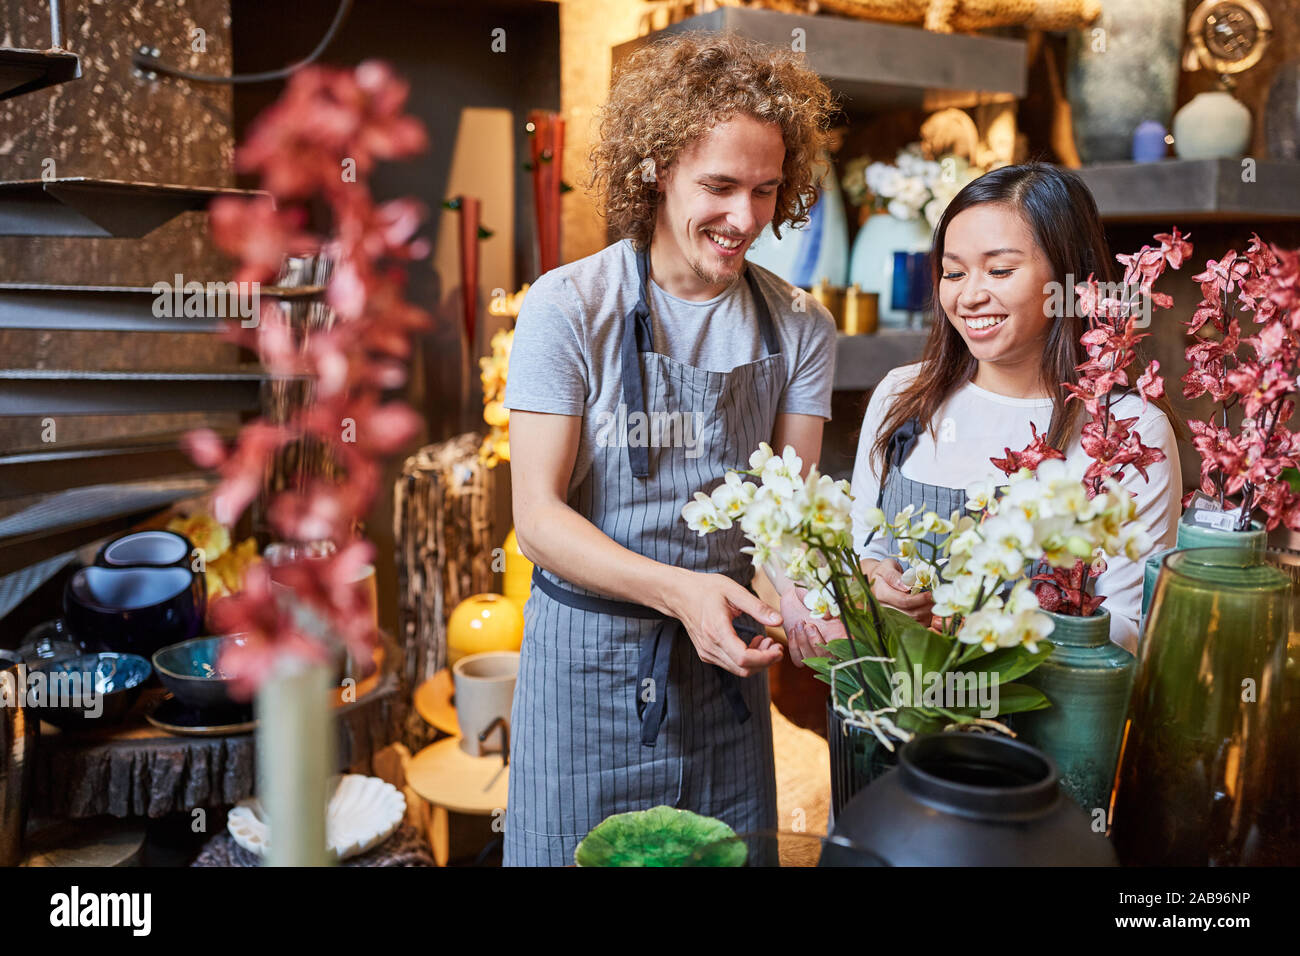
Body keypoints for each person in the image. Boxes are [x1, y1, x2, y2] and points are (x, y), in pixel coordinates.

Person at [501, 33, 837, 866]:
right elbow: (537, 520)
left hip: (722, 686)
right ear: (655, 167)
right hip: (587, 673)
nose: (745, 219)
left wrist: (800, 603)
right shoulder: (568, 308)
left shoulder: (800, 327)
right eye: (718, 186)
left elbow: (781, 526)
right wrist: (681, 593)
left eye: (765, 190)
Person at [850, 162, 1181, 653]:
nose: (969, 295)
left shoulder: (1126, 434)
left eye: (1000, 270)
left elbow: (1131, 631)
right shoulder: (903, 397)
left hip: (1039, 724)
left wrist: (995, 631)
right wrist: (878, 586)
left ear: (1068, 280)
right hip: (889, 711)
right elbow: (864, 555)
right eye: (953, 272)